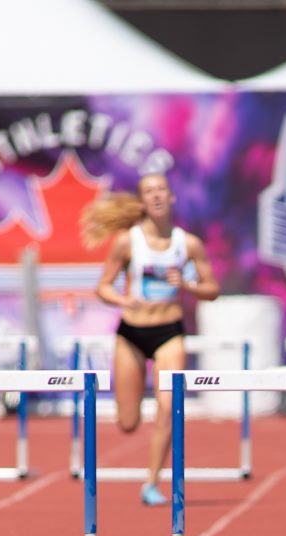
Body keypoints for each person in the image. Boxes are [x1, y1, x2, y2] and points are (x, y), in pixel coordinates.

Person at [81, 174, 219, 506]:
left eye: (161, 190)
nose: (156, 196)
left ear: (171, 198)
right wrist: (122, 300)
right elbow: (102, 286)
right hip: (131, 333)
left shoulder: (188, 245)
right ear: (142, 202)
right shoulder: (129, 242)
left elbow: (212, 290)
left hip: (169, 332)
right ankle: (134, 419)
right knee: (128, 422)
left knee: (169, 406)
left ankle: (152, 482)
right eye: (148, 191)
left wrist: (186, 284)